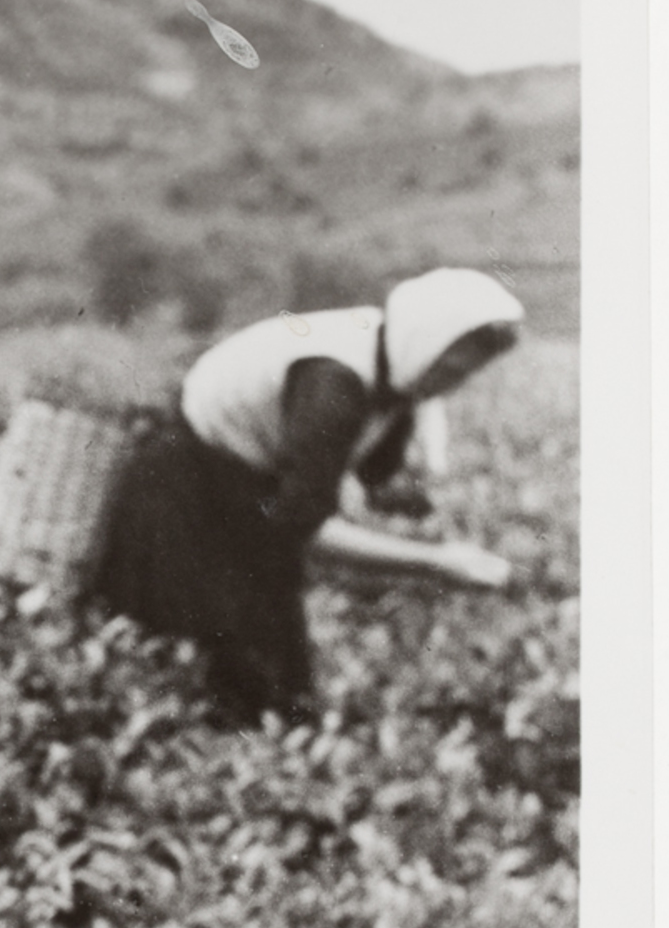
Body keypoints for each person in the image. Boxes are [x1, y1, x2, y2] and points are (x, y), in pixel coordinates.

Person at [88, 267, 525, 721]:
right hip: (185, 489)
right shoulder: (335, 382)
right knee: (199, 671)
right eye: (448, 367)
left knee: (269, 676)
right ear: (424, 341)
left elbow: (377, 476)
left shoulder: (397, 360)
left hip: (244, 487)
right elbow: (306, 528)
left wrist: (418, 500)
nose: (450, 384)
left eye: (464, 374)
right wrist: (435, 561)